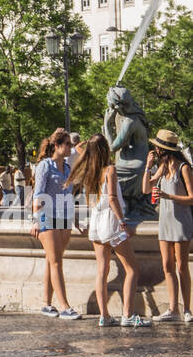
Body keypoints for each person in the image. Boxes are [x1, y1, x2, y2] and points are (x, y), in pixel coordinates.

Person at [68, 133, 149, 328]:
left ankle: (104, 316)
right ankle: (128, 315)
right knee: (132, 270)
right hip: (111, 223)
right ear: (105, 150)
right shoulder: (109, 170)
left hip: (96, 222)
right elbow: (112, 198)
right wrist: (123, 223)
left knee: (101, 271)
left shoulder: (89, 171)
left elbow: (73, 194)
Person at [143, 130, 193, 323]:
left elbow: (191, 198)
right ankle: (172, 309)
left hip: (181, 222)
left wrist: (168, 196)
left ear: (164, 149)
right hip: (164, 222)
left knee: (181, 266)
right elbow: (146, 189)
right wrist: (148, 167)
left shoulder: (184, 168)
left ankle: (187, 308)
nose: (154, 149)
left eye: (157, 146)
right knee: (167, 266)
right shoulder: (162, 167)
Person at [30, 129, 79, 319]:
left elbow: (69, 196)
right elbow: (38, 193)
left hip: (63, 216)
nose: (70, 147)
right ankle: (65, 306)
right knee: (56, 262)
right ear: (57, 146)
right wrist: (35, 220)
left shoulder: (67, 168)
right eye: (67, 144)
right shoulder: (45, 166)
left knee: (51, 260)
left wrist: (74, 219)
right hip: (46, 217)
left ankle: (46, 304)